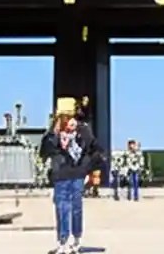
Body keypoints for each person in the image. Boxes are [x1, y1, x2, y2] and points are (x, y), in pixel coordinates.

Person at [39, 98, 102, 254]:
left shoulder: (84, 130)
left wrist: (91, 170)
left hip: (78, 173)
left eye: (70, 117)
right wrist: (54, 133)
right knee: (62, 207)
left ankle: (76, 240)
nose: (68, 121)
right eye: (64, 118)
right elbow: (44, 151)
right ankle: (62, 242)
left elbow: (96, 149)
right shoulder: (53, 133)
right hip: (61, 174)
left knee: (76, 207)